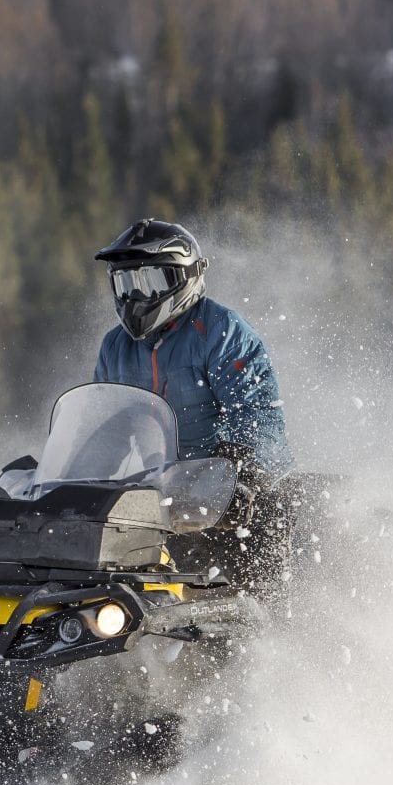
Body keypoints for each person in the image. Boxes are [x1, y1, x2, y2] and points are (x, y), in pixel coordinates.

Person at [90, 218, 298, 590]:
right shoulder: (115, 347)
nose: (136, 298)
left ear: (184, 278)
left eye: (150, 282)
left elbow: (257, 409)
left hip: (236, 493)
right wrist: (71, 480)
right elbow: (105, 426)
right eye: (126, 285)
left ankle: (279, 632)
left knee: (257, 573)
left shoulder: (220, 330)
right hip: (164, 497)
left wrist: (243, 467)